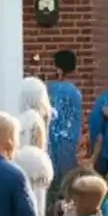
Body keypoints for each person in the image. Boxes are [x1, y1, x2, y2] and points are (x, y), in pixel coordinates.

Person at [46, 49, 84, 191]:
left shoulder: (49, 89)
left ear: (58, 69)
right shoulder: (75, 93)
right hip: (69, 145)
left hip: (51, 145)